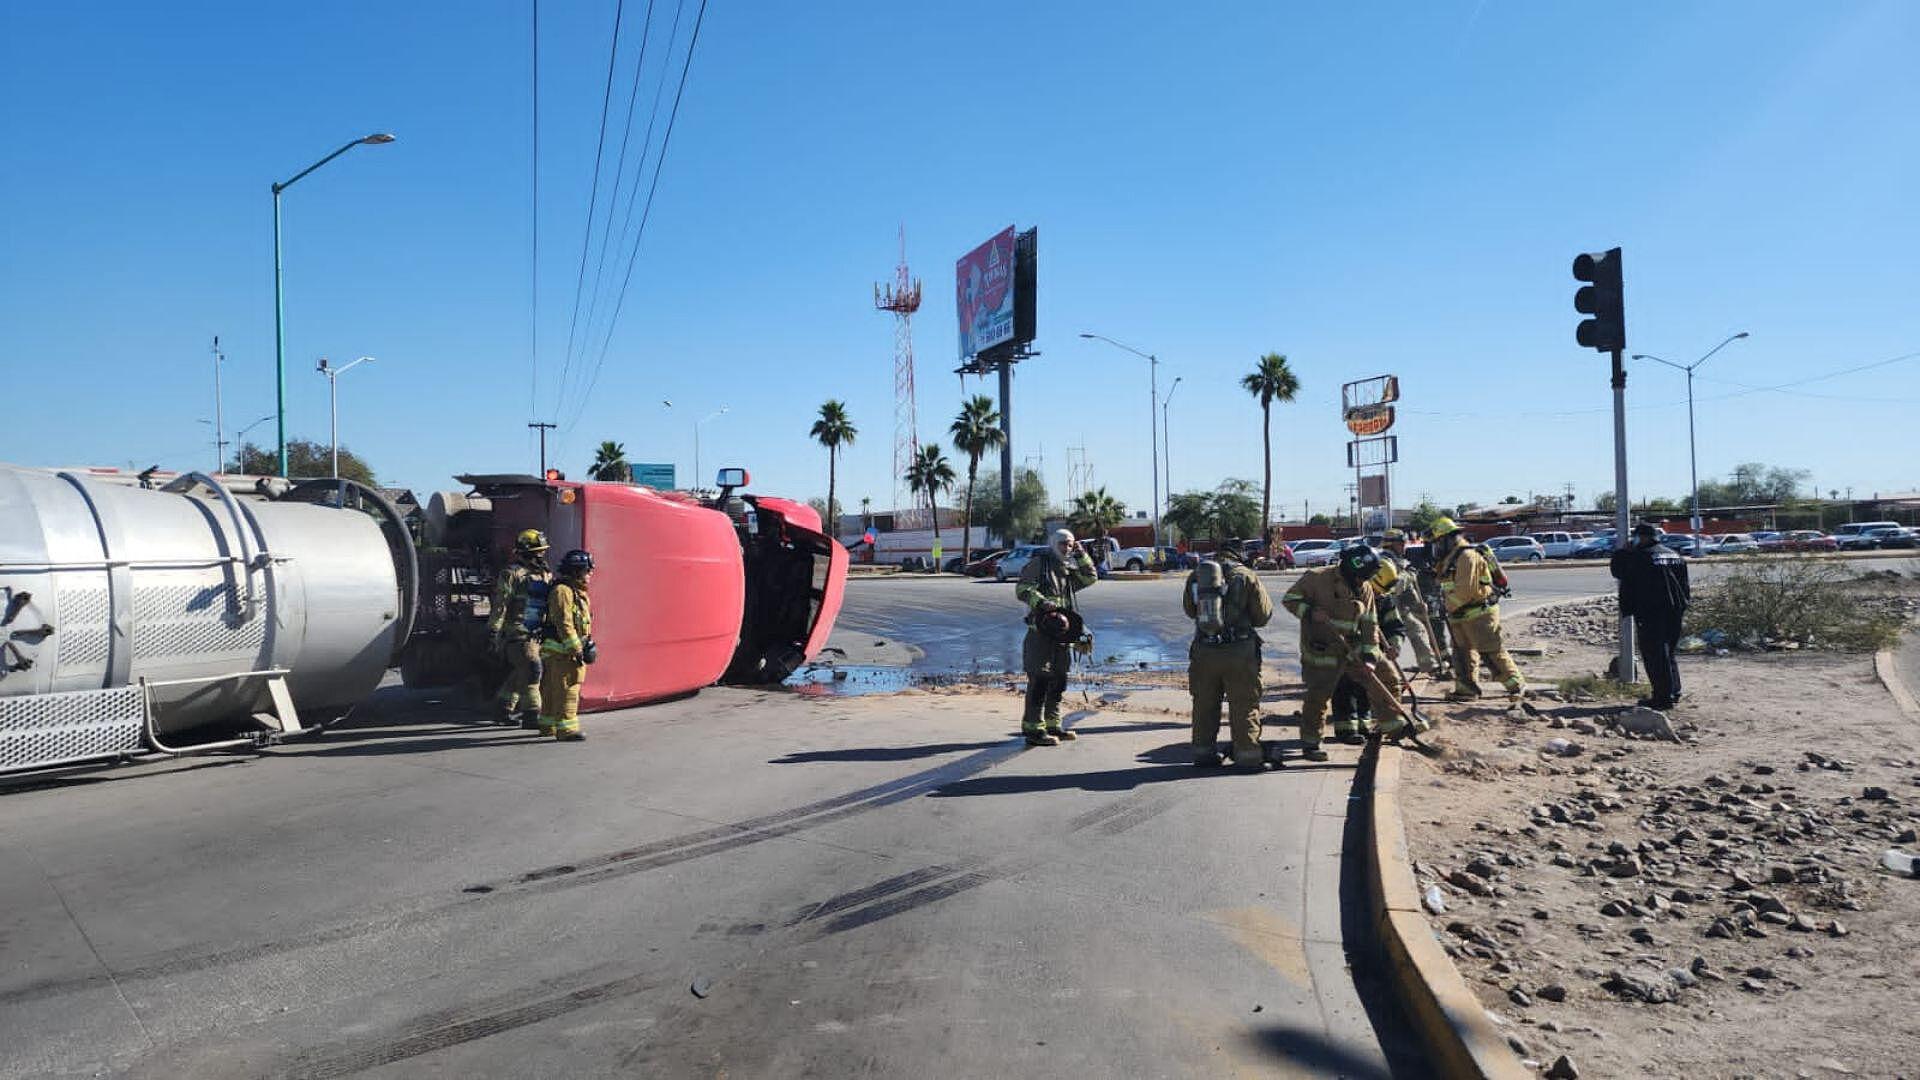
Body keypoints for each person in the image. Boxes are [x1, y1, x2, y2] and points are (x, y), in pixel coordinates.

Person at [1281, 545, 1404, 761]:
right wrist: (1309, 613)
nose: (1362, 582)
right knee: (1318, 698)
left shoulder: (1365, 587)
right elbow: (1290, 599)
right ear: (1350, 569)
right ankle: (1311, 744)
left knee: (1388, 677)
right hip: (1322, 649)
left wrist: (1369, 659)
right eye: (1359, 577)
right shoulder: (1316, 578)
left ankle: (1394, 727)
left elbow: (1369, 624)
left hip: (1353, 649)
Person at [1182, 537, 1276, 769]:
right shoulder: (1245, 575)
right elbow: (1262, 616)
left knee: (1204, 703)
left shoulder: (1198, 574)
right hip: (1239, 651)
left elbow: (1189, 609)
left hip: (1204, 650)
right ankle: (1247, 756)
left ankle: (1203, 753)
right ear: (1239, 552)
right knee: (1244, 703)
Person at [1015, 528, 1097, 745]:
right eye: (1063, 543)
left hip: (1062, 635)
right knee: (1040, 680)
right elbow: (1022, 589)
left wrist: (1081, 554)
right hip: (1039, 634)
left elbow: (1090, 577)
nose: (1066, 547)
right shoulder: (1039, 564)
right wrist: (1042, 603)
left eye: (1070, 544)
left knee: (1058, 680)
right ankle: (1034, 730)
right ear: (1053, 543)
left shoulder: (1067, 570)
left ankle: (1053, 725)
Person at [1428, 517, 1525, 702]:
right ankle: (1466, 690)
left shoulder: (1467, 556)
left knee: (1490, 652)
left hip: (1478, 613)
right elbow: (1445, 582)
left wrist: (1445, 607)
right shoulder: (1450, 557)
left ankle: (1516, 685)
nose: (1437, 545)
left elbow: (1466, 591)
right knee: (1462, 654)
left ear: (1450, 538)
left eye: (1439, 541)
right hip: (1458, 614)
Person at [1610, 522, 1691, 709]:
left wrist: (1623, 552)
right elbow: (1685, 585)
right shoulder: (1674, 555)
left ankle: (1662, 698)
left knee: (1655, 655)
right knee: (1668, 653)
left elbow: (1618, 571)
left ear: (1641, 537)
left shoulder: (1640, 556)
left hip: (1651, 612)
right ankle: (1673, 691)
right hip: (1674, 610)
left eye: (1636, 537)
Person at [1329, 559, 1410, 744]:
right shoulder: (1348, 594)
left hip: (1371, 651)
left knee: (1369, 688)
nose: (1381, 595)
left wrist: (1394, 645)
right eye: (1380, 589)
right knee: (1345, 687)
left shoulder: (1384, 599)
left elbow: (1395, 626)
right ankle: (1346, 731)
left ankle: (1366, 726)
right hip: (1345, 650)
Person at [488, 529, 552, 728]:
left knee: (521, 671)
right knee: (533, 669)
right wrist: (493, 631)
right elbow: (501, 604)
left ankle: (502, 707)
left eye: (542, 552)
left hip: (537, 633)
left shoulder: (545, 575)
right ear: (525, 553)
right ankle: (532, 714)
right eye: (537, 552)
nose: (541, 556)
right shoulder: (511, 574)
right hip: (517, 633)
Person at [538, 548, 596, 742]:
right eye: (587, 570)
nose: (590, 574)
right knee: (568, 689)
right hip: (563, 652)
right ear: (576, 571)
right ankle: (566, 729)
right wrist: (576, 648)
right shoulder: (563, 591)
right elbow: (564, 623)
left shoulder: (574, 590)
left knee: (551, 689)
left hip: (559, 650)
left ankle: (547, 724)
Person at [1380, 529, 1445, 679]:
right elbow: (1395, 587)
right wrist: (1408, 575)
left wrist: (1418, 606)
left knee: (1417, 629)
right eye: (1400, 543)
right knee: (1397, 639)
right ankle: (1388, 672)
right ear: (1391, 545)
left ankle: (1430, 666)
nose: (1404, 546)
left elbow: (1409, 593)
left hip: (1397, 608)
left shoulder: (1396, 561)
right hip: (1388, 609)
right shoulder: (1387, 563)